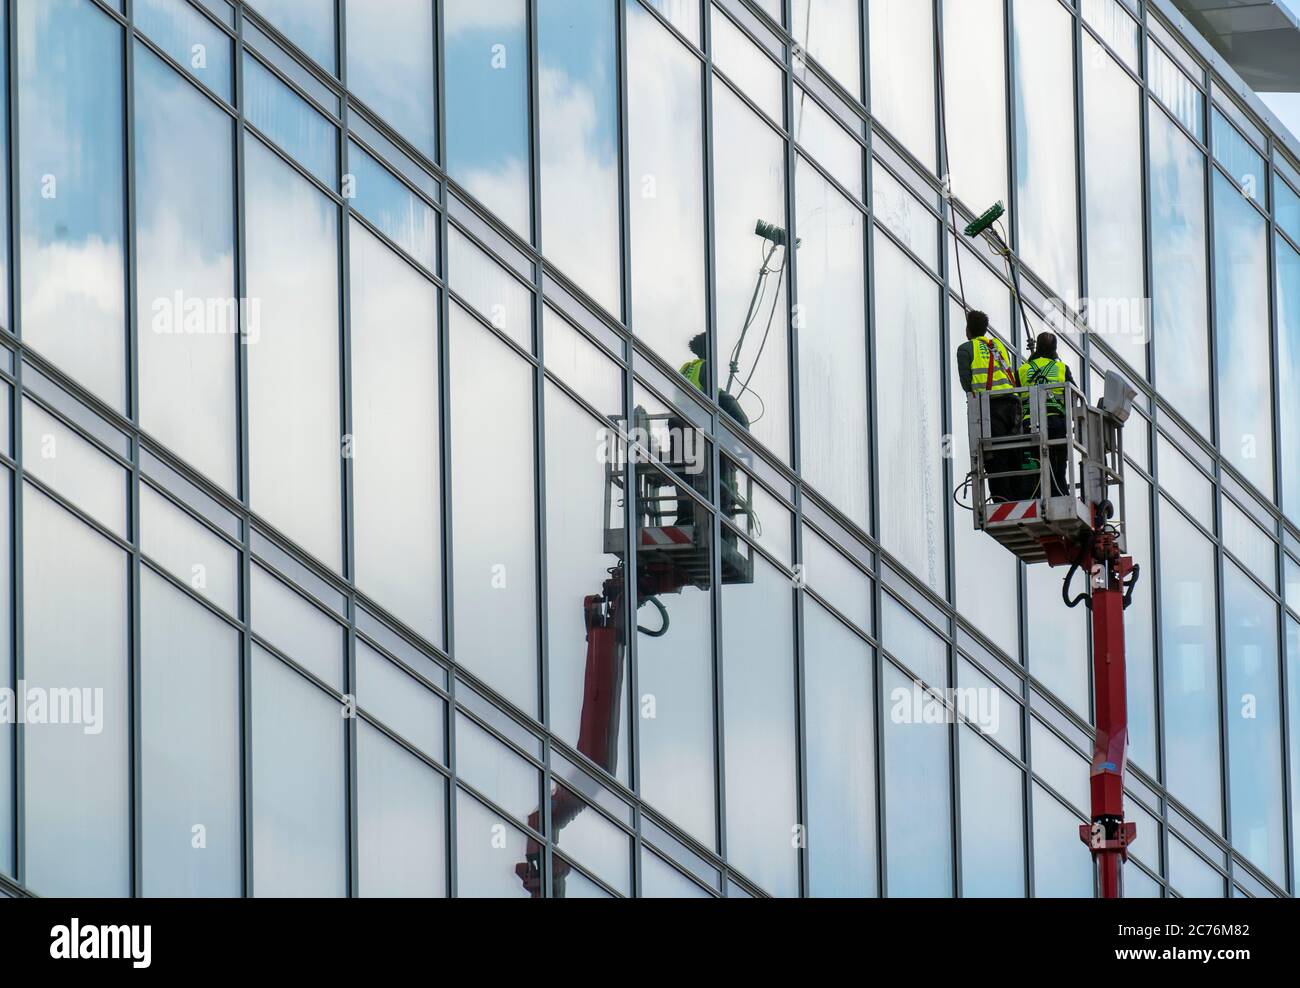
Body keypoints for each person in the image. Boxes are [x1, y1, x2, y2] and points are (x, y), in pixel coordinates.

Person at [956, 310, 1020, 500]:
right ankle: (1019, 496)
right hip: (1013, 405)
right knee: (1014, 451)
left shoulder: (966, 349)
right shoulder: (999, 346)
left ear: (968, 329)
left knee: (995, 454)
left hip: (991, 408)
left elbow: (967, 384)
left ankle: (1002, 499)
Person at [1018, 331, 1075, 498]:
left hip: (1030, 425)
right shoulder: (1061, 368)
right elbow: (1074, 395)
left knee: (1032, 466)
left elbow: (1015, 396)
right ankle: (1059, 494)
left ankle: (1031, 496)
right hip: (1055, 423)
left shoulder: (1023, 369)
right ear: (1055, 349)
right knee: (1057, 467)